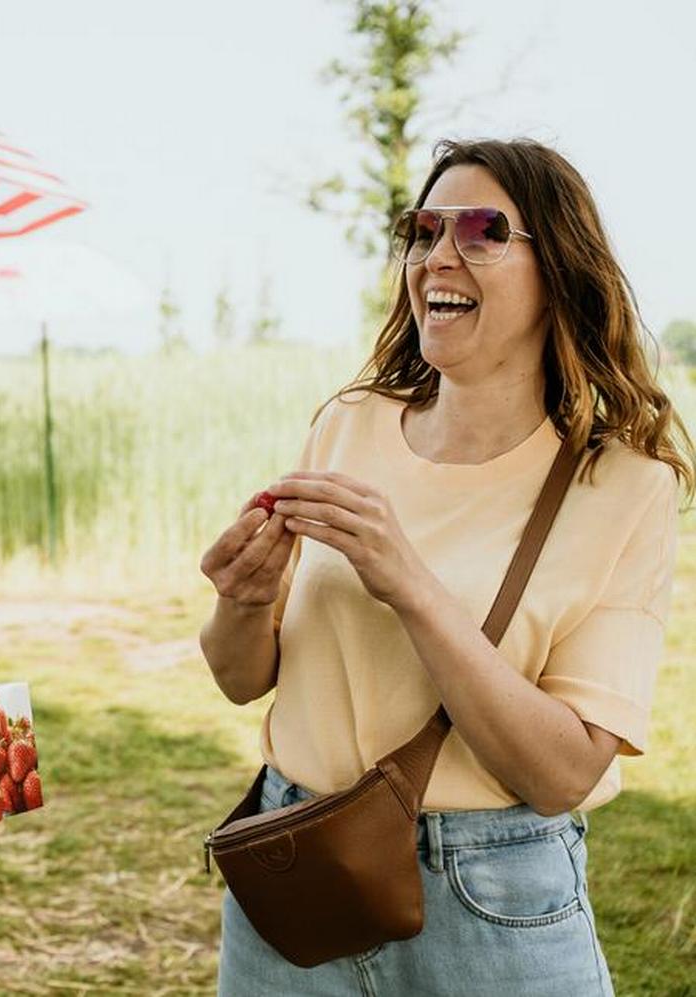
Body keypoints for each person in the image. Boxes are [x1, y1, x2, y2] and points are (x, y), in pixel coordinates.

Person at [198, 138, 691, 995]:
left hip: (490, 901)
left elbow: (563, 771)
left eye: (483, 230)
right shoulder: (348, 425)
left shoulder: (623, 488)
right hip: (295, 866)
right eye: (423, 230)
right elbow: (244, 680)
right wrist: (243, 601)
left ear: (561, 270)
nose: (437, 257)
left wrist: (411, 584)